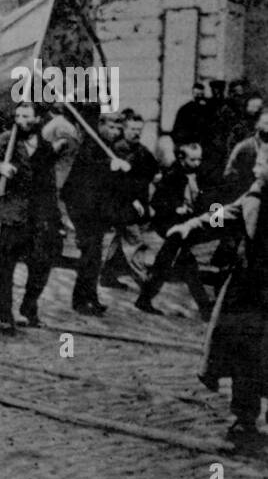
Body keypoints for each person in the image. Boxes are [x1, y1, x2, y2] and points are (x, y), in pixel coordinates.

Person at [169, 148, 268, 443]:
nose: (255, 168)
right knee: (243, 351)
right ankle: (244, 417)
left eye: (262, 163)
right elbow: (224, 216)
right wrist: (189, 227)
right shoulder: (256, 194)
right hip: (251, 286)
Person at [0, 103, 61, 333]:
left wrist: (56, 217)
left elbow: (50, 184)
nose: (20, 120)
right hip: (13, 213)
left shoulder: (46, 147)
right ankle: (5, 315)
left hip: (38, 216)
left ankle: (28, 307)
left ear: (38, 119)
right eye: (17, 115)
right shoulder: (6, 140)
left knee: (42, 264)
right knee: (6, 266)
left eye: (26, 116)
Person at [63, 113, 133, 315]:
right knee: (90, 254)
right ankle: (80, 300)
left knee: (95, 255)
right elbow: (88, 177)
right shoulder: (92, 145)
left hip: (96, 210)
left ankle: (91, 296)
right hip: (82, 207)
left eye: (118, 128)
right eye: (111, 127)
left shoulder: (107, 147)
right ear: (101, 125)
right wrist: (109, 167)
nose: (116, 131)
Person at [136, 143, 215, 318]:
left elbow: (206, 197)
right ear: (181, 158)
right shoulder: (172, 176)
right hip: (170, 224)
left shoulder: (199, 175)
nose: (197, 163)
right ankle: (205, 307)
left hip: (184, 225)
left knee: (182, 263)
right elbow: (157, 202)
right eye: (192, 159)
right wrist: (175, 208)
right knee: (173, 262)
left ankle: (145, 298)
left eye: (199, 159)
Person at [99, 109, 157, 290]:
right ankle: (146, 285)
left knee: (120, 240)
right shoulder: (118, 150)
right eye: (132, 129)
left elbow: (152, 172)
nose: (136, 132)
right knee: (135, 241)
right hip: (121, 204)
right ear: (124, 129)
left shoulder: (141, 150)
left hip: (134, 204)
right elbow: (117, 183)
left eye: (139, 129)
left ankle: (108, 275)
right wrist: (133, 200)